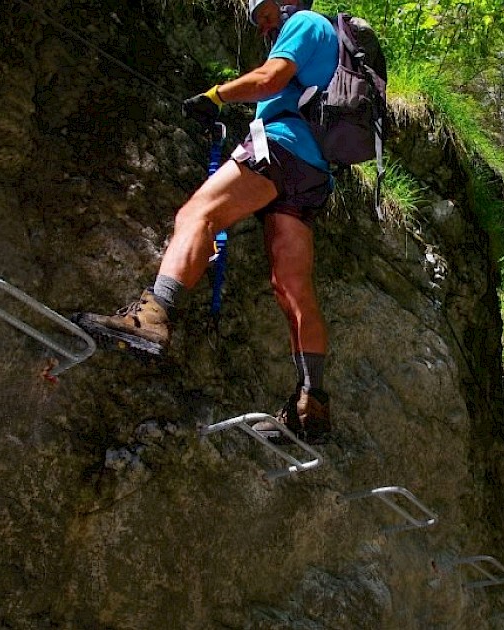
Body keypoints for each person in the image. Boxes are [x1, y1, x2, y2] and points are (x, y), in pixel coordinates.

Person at [75, 0, 338, 444]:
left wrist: (215, 96)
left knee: (197, 213)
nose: (264, 25)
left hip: (280, 149)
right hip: (312, 173)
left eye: (265, 13)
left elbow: (268, 79)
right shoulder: (326, 46)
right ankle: (311, 402)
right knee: (291, 286)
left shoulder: (305, 23)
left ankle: (153, 314)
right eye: (257, 20)